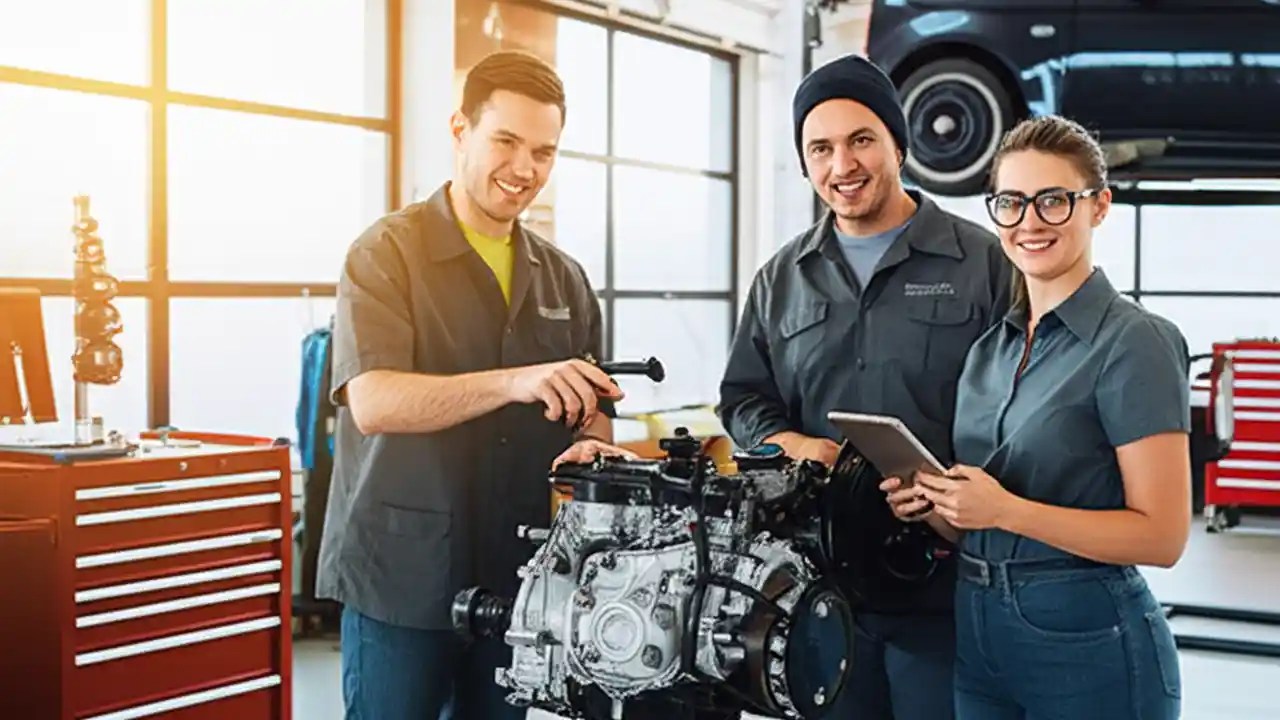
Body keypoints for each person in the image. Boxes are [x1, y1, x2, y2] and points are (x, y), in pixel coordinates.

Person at [316, 50, 636, 720]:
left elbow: (593, 409)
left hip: (519, 577)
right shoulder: (384, 253)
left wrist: (593, 446)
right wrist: (515, 381)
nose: (524, 169)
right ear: (460, 129)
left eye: (544, 152)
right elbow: (373, 402)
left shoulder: (565, 278)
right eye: (506, 141)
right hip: (402, 578)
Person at [717, 53, 1013, 720]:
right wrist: (795, 444)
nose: (842, 165)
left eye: (861, 140)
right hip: (817, 585)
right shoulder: (781, 278)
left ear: (898, 146)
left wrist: (955, 488)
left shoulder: (984, 264)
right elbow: (743, 398)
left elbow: (1021, 408)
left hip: (946, 587)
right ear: (804, 163)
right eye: (820, 149)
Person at [882, 114, 1190, 719]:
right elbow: (979, 520)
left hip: (1087, 638)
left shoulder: (1135, 342)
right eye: (1011, 202)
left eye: (1053, 200)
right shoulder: (988, 350)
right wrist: (937, 506)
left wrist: (1006, 510)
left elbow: (1163, 537)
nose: (1029, 222)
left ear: (1099, 206)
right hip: (976, 629)